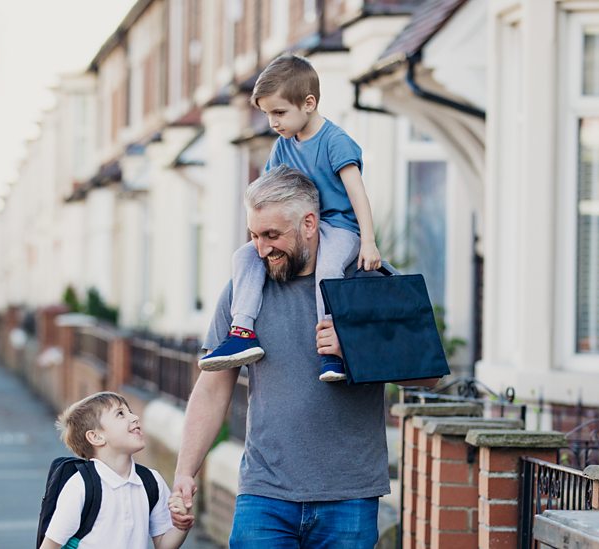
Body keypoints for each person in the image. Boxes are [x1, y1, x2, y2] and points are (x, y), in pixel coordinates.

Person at [171, 167, 438, 548]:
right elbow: (213, 390)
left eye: (272, 235)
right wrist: (185, 470)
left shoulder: (366, 281)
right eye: (254, 235)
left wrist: (358, 347)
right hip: (264, 495)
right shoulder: (243, 292)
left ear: (309, 224)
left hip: (349, 497)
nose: (261, 249)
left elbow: (428, 376)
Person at [198, 54, 381, 383]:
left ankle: (330, 352)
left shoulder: (334, 142)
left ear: (309, 103)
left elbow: (358, 193)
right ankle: (242, 331)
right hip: (304, 227)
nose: (272, 122)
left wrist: (367, 241)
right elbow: (266, 192)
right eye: (268, 114)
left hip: (339, 227)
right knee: (245, 255)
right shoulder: (283, 146)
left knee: (327, 267)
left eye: (279, 112)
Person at [40, 391, 192, 549]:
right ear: (96, 437)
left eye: (130, 412)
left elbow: (163, 544)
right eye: (120, 414)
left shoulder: (151, 481)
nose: (134, 417)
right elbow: (50, 545)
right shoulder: (80, 486)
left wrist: (181, 524)